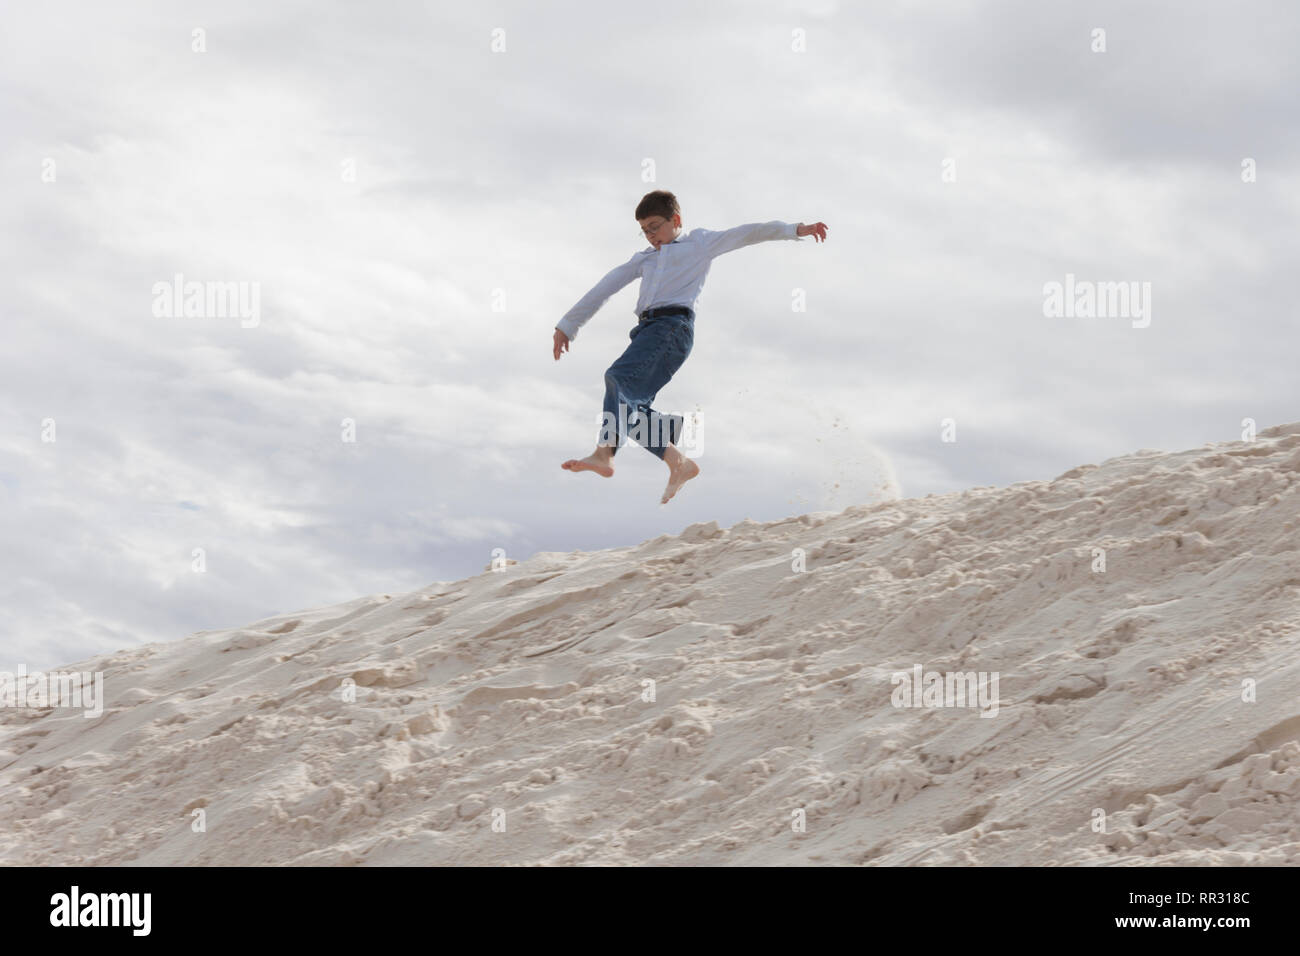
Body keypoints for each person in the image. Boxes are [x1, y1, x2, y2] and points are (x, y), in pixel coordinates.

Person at [553, 189, 828, 504]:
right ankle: (678, 464)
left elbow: (749, 233)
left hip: (672, 328)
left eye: (655, 226)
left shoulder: (699, 244)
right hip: (646, 332)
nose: (651, 236)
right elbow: (605, 286)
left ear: (676, 220)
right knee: (628, 407)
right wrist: (567, 326)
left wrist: (795, 229)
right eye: (645, 230)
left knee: (618, 379)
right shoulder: (644, 259)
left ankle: (604, 453)